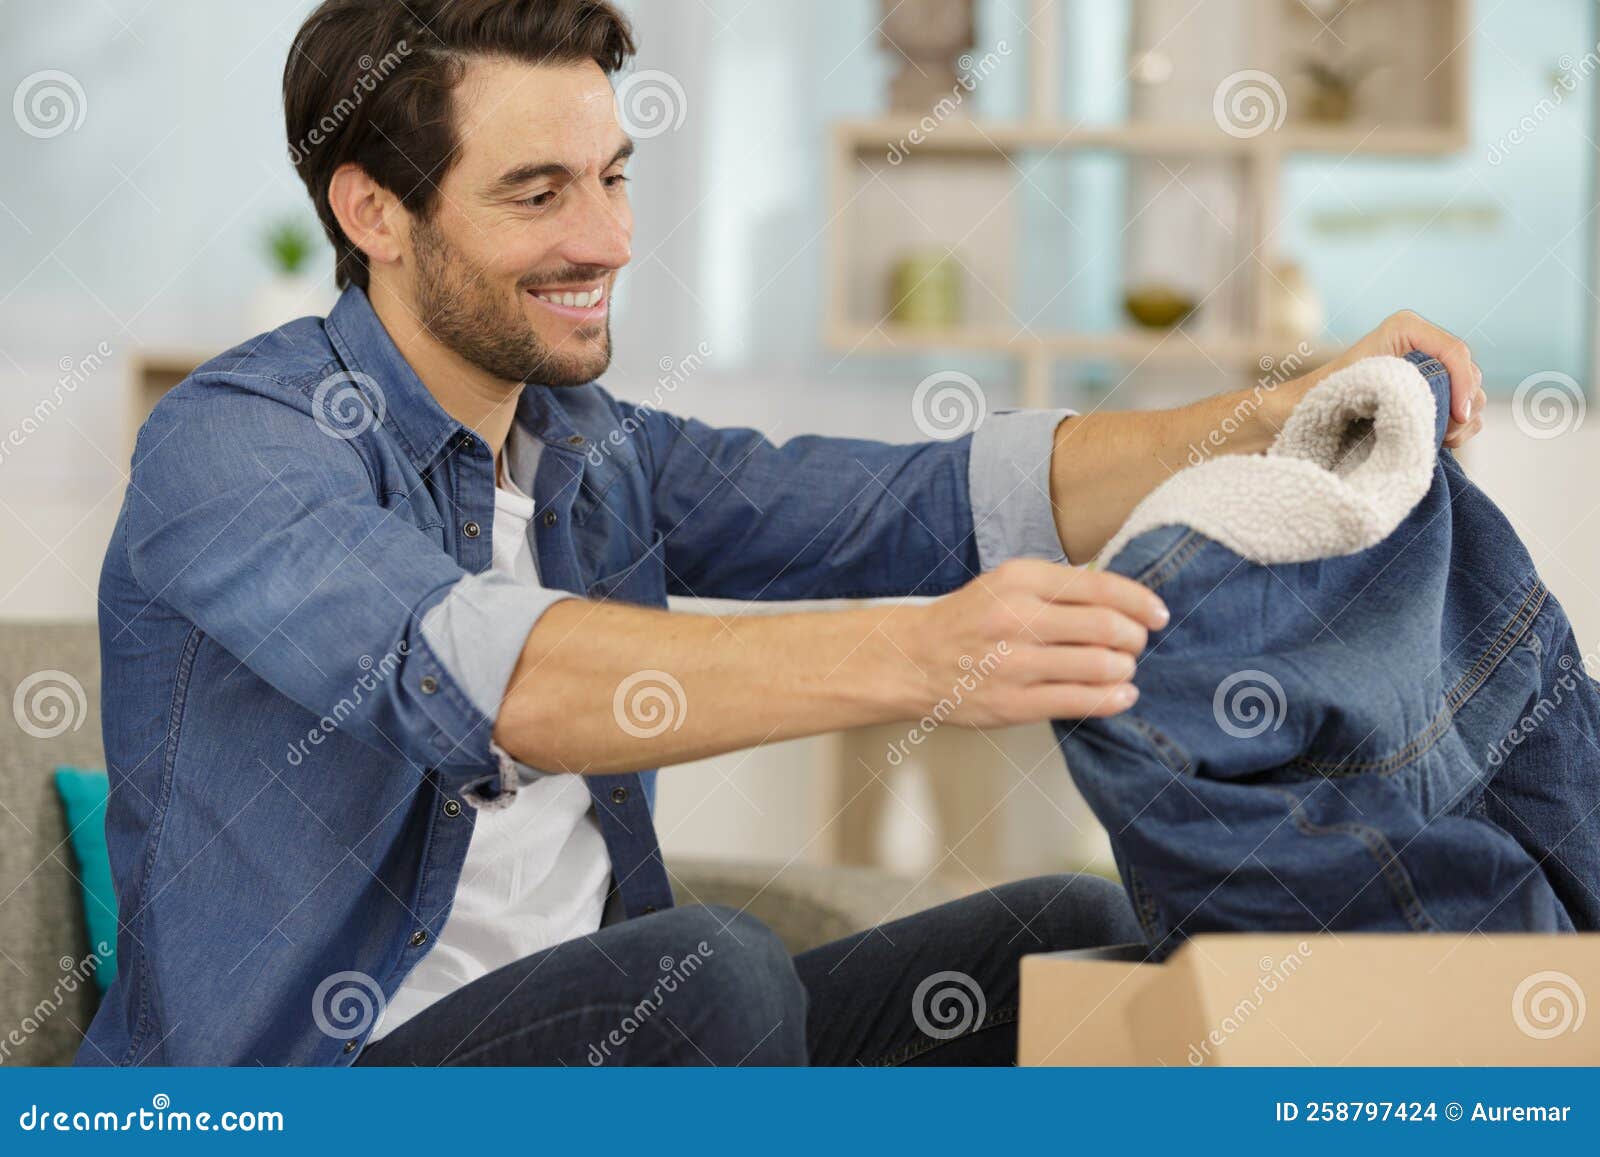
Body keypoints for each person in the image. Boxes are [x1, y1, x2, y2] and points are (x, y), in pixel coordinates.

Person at [79, 0, 1485, 1068]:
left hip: (606, 1051)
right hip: (303, 1090)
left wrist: (1275, 412)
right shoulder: (236, 446)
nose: (611, 239)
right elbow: (503, 680)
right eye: (538, 192)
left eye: (614, 176)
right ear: (373, 210)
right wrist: (927, 652)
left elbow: (929, 501)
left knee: (1053, 927)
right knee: (709, 972)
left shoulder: (597, 452)